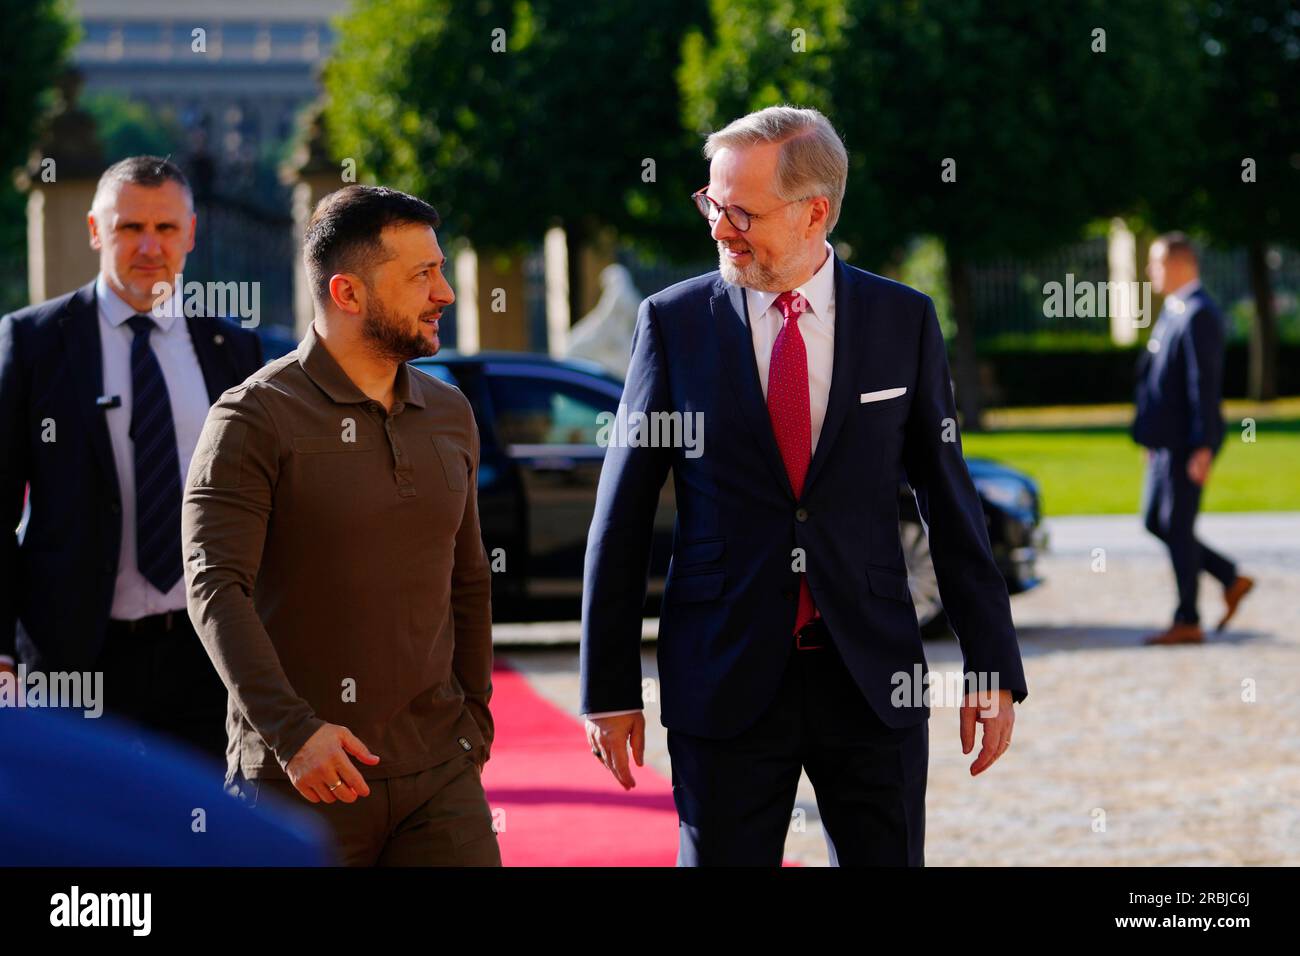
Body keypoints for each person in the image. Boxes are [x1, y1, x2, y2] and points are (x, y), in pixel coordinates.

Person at [579, 106, 1027, 866]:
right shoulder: (672, 323)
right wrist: (609, 686)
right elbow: (620, 517)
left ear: (814, 211)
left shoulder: (903, 321)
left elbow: (948, 504)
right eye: (711, 204)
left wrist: (990, 661)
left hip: (872, 676)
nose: (720, 228)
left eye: (741, 212)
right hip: (722, 678)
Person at [182, 184, 499, 866]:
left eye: (440, 269)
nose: (444, 292)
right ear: (348, 294)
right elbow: (215, 589)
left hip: (441, 774)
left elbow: (468, 576)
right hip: (298, 779)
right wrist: (293, 734)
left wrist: (475, 718)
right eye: (422, 275)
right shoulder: (252, 418)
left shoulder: (450, 412)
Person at [0, 155, 263, 761]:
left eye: (166, 229)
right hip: (75, 659)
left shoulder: (233, 348)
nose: (149, 246)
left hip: (208, 655)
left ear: (191, 234)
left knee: (201, 841)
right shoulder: (35, 341)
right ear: (96, 231)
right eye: (129, 228)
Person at [1133, 232, 1254, 645]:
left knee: (1178, 527)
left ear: (1179, 264)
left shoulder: (1200, 312)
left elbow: (1202, 385)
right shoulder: (1174, 309)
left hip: (1188, 443)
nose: (1151, 271)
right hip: (1165, 443)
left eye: (1156, 263)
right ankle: (1229, 577)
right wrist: (1152, 440)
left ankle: (1188, 619)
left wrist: (1203, 446)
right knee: (1156, 521)